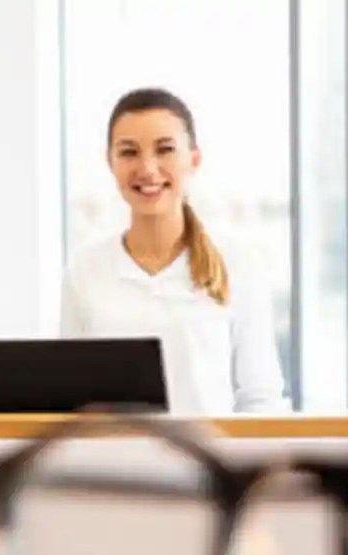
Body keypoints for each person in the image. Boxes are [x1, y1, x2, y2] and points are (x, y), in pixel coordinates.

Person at [61, 87, 288, 415]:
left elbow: (260, 399)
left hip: (207, 464)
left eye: (165, 149)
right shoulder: (86, 270)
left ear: (193, 160)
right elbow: (71, 398)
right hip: (112, 464)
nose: (147, 168)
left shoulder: (237, 264)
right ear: (109, 161)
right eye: (129, 152)